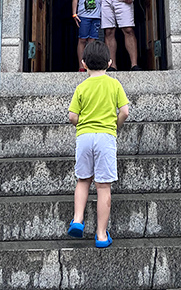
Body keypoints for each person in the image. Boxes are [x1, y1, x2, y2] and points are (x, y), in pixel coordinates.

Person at [67, 40, 129, 248]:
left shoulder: (82, 86)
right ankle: (101, 234)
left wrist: (81, 123)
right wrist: (115, 125)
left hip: (84, 137)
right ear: (110, 62)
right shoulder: (114, 84)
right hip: (105, 137)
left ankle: (77, 220)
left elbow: (72, 116)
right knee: (103, 187)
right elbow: (125, 112)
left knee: (83, 180)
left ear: (83, 63)